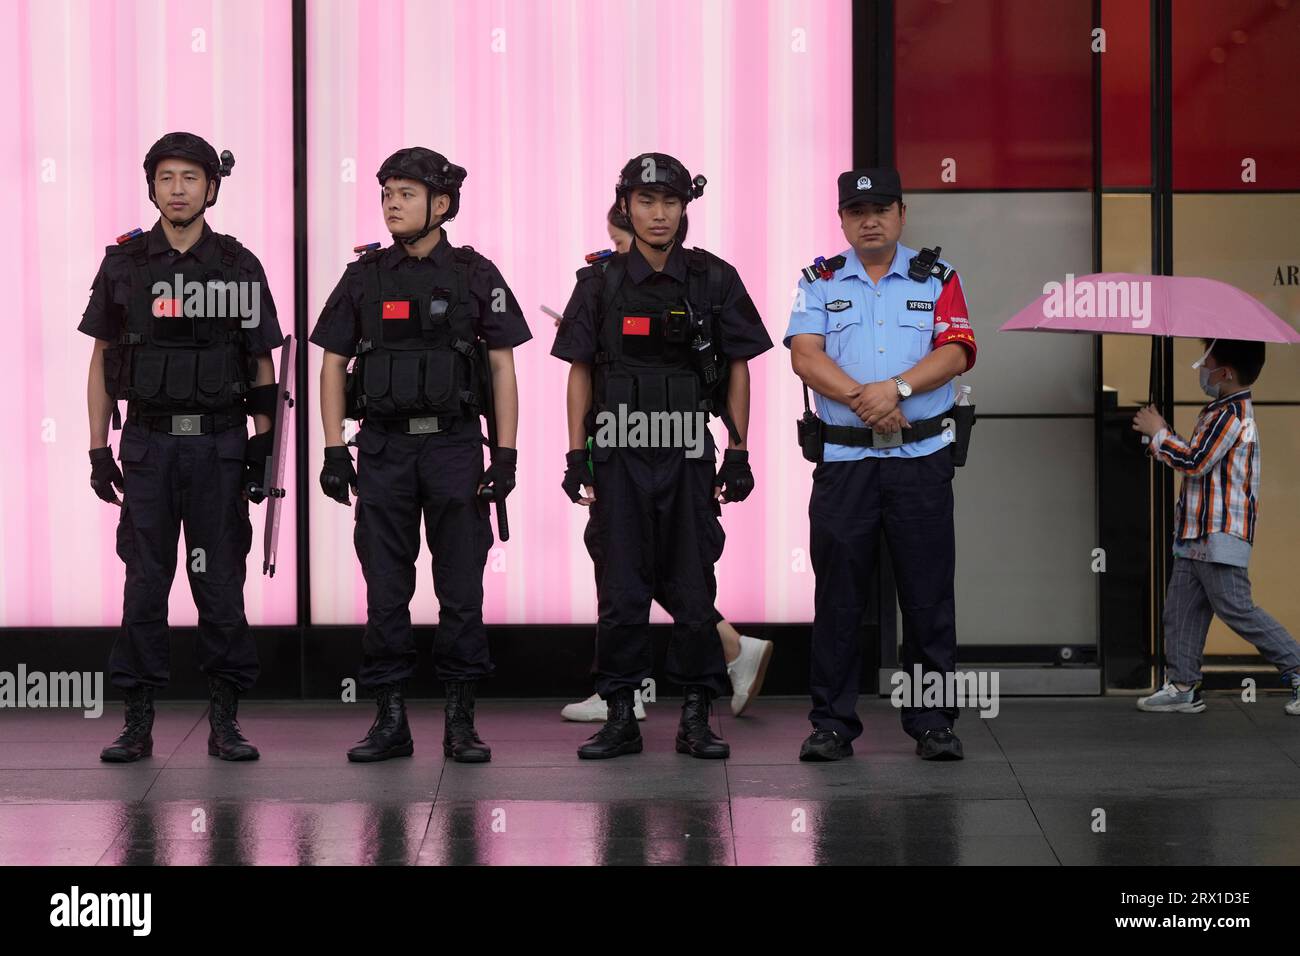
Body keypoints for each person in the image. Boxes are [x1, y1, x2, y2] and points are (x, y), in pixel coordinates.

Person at [311, 148, 531, 763]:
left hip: (456, 447)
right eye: (386, 194)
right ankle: (390, 720)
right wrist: (333, 448)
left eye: (406, 194)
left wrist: (506, 454)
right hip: (382, 448)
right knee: (386, 589)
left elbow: (502, 365)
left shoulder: (473, 273)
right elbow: (331, 363)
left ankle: (460, 723)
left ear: (442, 204)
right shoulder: (364, 276)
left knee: (461, 587)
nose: (391, 204)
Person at [552, 152, 773, 759]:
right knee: (620, 589)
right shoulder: (596, 284)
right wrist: (576, 455)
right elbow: (579, 372)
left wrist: (739, 449)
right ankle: (620, 716)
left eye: (670, 202)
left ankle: (697, 718)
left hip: (687, 455)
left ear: (685, 209)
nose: (657, 214)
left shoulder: (714, 278)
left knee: (693, 587)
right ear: (625, 205)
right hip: (619, 457)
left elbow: (738, 367)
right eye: (645, 202)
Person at [83, 132, 285, 762]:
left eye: (190, 178)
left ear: (211, 188)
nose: (177, 189)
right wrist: (97, 447)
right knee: (145, 583)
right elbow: (101, 361)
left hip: (220, 447)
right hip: (147, 444)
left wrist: (263, 449)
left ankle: (225, 720)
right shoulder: (124, 265)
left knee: (220, 583)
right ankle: (137, 721)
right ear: (151, 186)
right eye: (166, 177)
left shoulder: (237, 266)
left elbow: (262, 367)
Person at [784, 168, 977, 762]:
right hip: (845, 462)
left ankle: (932, 722)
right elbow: (804, 356)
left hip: (920, 460)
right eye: (856, 210)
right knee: (839, 596)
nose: (869, 219)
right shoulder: (818, 280)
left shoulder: (938, 277)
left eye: (881, 208)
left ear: (901, 213)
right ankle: (833, 724)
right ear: (841, 218)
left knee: (926, 597)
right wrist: (863, 400)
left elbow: (957, 351)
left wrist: (893, 389)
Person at [1133, 338, 1300, 715]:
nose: (1201, 370)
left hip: (1219, 531)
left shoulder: (1231, 414)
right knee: (1181, 610)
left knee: (1237, 609)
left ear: (1225, 373)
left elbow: (1196, 460)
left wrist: (1160, 432)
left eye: (1206, 362)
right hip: (1197, 531)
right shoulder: (1220, 409)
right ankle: (1182, 685)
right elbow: (1198, 458)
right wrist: (1157, 435)